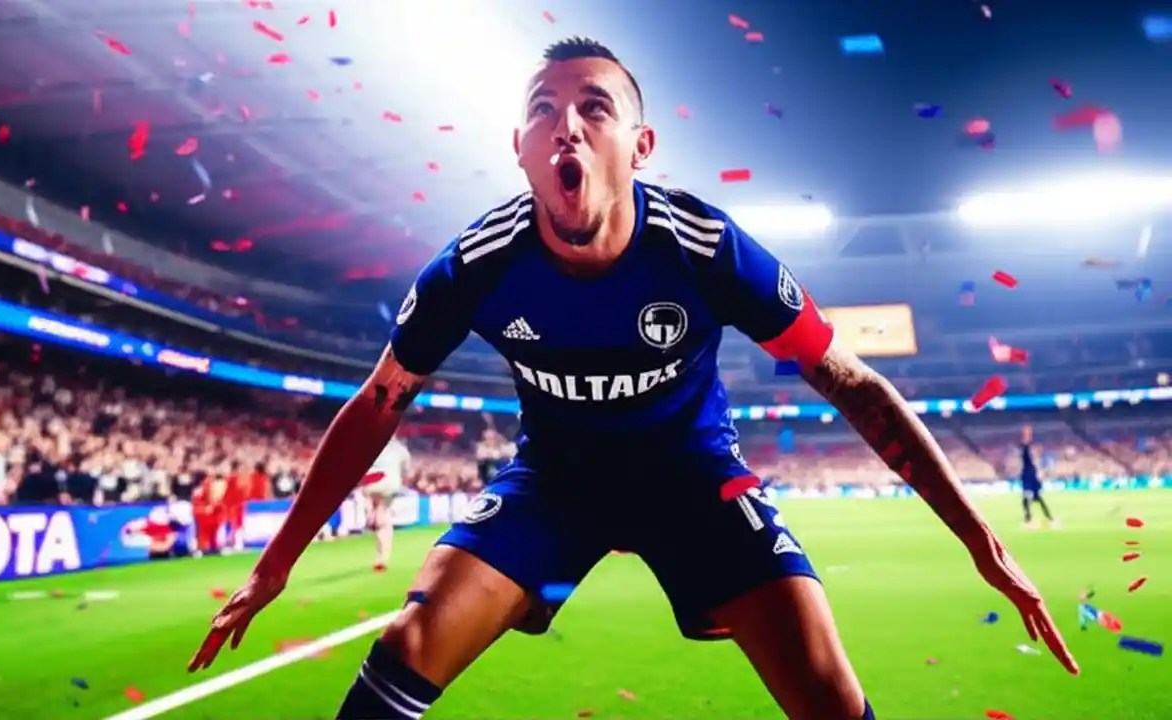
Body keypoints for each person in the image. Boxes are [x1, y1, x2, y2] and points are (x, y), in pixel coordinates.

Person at [189, 37, 1077, 719]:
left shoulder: (705, 248)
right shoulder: (476, 264)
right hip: (553, 484)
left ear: (639, 145)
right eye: (544, 111)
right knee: (408, 640)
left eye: (594, 108)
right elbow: (380, 402)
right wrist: (274, 567)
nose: (566, 124)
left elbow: (853, 384)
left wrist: (980, 540)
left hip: (694, 475)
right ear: (523, 148)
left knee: (827, 688)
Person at [359, 433, 412, 572]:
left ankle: (371, 514)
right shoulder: (400, 449)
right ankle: (382, 556)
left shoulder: (369, 443)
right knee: (384, 516)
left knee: (374, 509)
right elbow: (406, 470)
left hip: (370, 482)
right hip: (390, 483)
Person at [1018, 424, 1057, 529]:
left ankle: (1033, 519)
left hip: (1031, 479)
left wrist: (1027, 436)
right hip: (1029, 478)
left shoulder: (1032, 462)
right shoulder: (1028, 458)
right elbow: (1025, 448)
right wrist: (1027, 436)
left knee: (1033, 499)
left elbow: (1026, 449)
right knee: (1031, 499)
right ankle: (1034, 518)